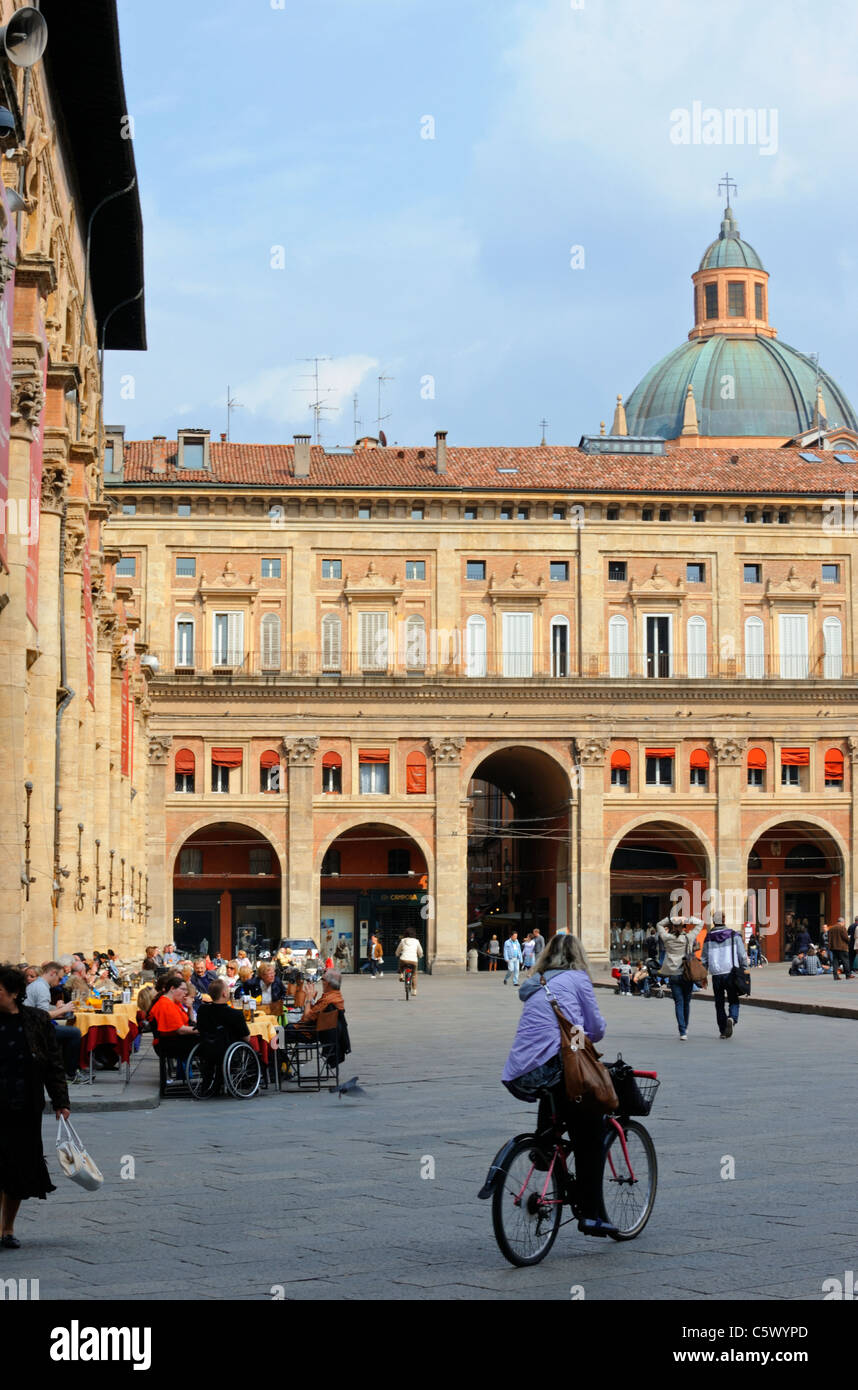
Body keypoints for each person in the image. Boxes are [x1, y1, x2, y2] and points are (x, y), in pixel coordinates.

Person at [502, 932, 616, 1238]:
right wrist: (587, 1047)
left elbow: (568, 1028)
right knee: (589, 1137)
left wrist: (580, 1042)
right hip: (556, 1064)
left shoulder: (536, 983)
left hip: (521, 1071)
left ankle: (544, 1145)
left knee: (556, 1094)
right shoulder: (578, 979)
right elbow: (592, 1027)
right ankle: (591, 1216)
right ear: (578, 956)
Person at [0, 963, 71, 1249]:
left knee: (17, 1167)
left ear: (15, 993)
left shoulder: (35, 1020)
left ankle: (7, 1229)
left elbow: (53, 1063)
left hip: (25, 1104)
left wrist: (61, 1101)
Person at [24, 963, 84, 1083]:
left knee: (70, 1030)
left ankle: (71, 1068)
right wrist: (63, 1010)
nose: (59, 982)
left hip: (32, 1025)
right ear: (52, 973)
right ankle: (70, 1073)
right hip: (35, 1029)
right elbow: (43, 1016)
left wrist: (56, 1007)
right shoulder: (42, 988)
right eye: (60, 978)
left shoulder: (39, 985)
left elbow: (41, 1009)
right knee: (74, 1033)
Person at [701, 913, 749, 1040]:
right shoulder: (734, 935)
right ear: (724, 920)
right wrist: (745, 969)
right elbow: (742, 955)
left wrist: (703, 975)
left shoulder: (708, 937)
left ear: (713, 921)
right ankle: (732, 1018)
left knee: (719, 1003)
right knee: (733, 999)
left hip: (716, 974)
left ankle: (723, 1030)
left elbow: (704, 959)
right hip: (731, 972)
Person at [657, 917, 697, 1040]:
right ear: (683, 926)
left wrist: (670, 918)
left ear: (673, 927)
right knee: (686, 1002)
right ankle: (686, 1026)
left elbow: (659, 924)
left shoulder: (667, 938)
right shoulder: (688, 937)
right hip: (687, 974)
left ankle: (682, 1031)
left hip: (673, 974)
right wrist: (687, 918)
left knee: (678, 1003)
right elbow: (700, 923)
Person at [283, 968, 346, 1040]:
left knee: (279, 1030)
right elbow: (314, 1013)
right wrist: (312, 999)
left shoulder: (327, 1001)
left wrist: (308, 999)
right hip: (319, 1033)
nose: (321, 982)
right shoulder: (337, 998)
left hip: (307, 1033)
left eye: (322, 979)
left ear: (327, 983)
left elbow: (306, 1018)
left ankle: (278, 1049)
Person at [148, 977, 198, 1063]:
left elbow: (190, 1021)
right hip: (170, 1044)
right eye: (183, 989)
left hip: (173, 1041)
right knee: (211, 1043)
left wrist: (190, 1007)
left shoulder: (174, 1002)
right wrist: (202, 1029)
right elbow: (180, 1030)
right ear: (172, 989)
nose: (185, 993)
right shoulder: (166, 1004)